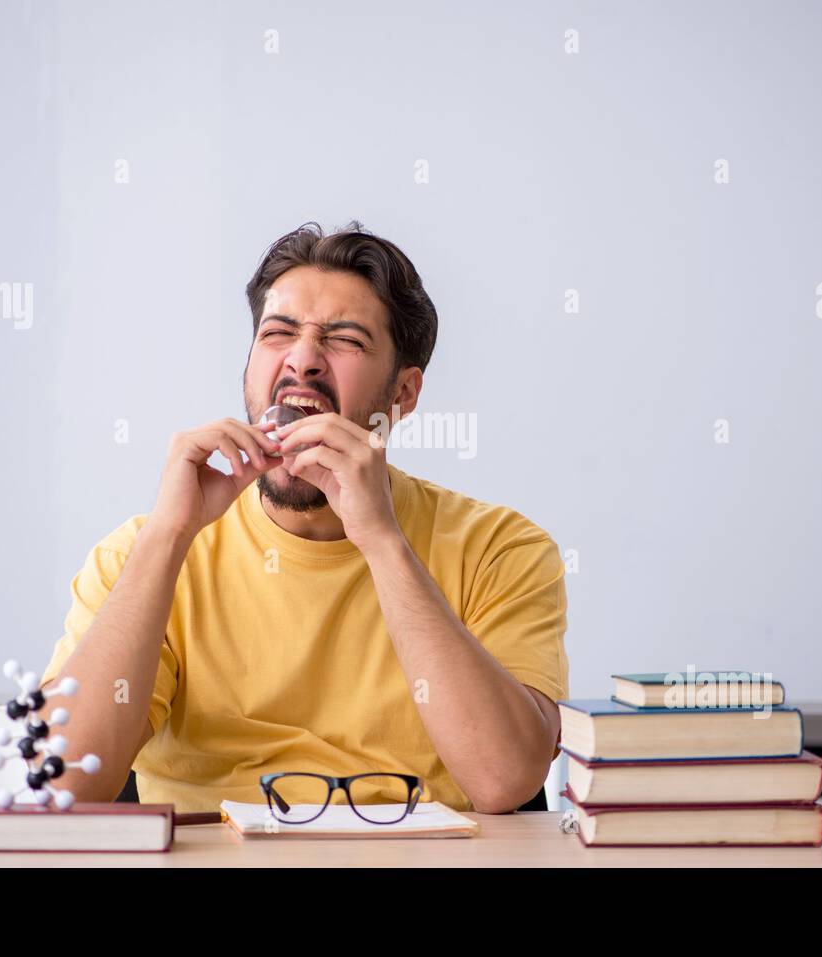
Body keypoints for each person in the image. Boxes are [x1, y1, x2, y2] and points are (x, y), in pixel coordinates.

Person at [39, 221, 568, 814]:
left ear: (404, 394)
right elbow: (62, 785)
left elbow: (505, 780)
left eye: (344, 339)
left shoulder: (499, 548)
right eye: (278, 332)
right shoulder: (144, 552)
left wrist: (381, 540)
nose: (303, 359)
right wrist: (168, 538)